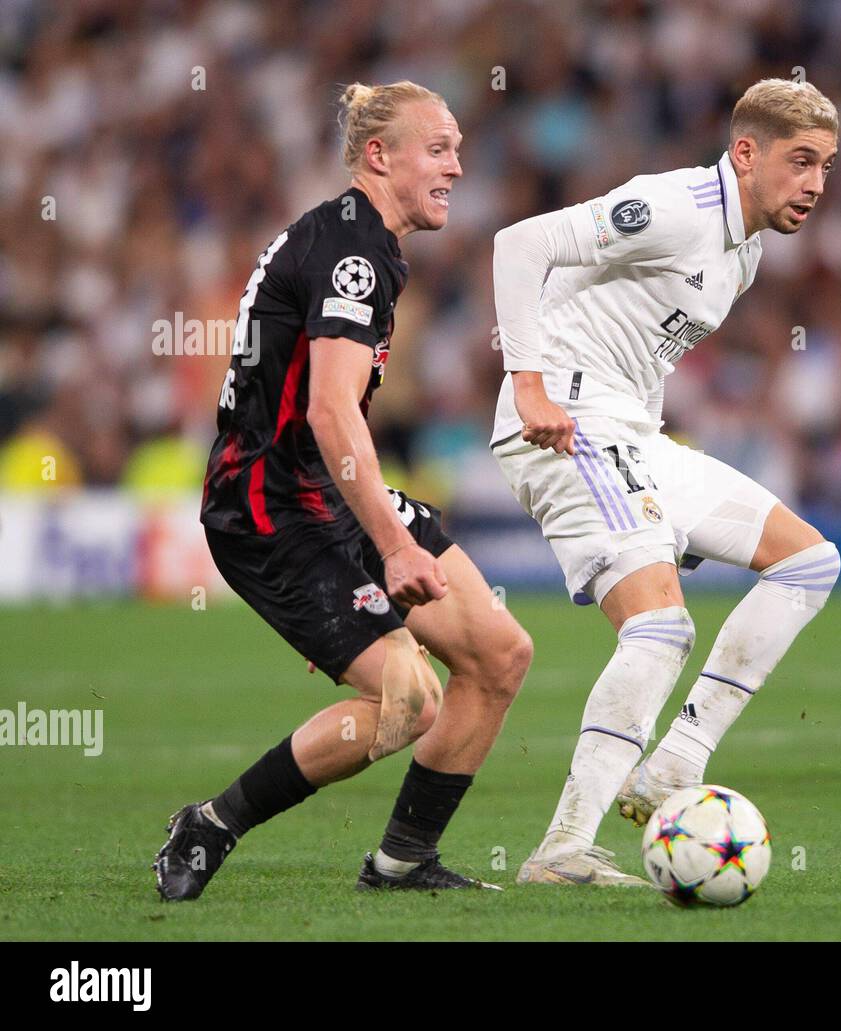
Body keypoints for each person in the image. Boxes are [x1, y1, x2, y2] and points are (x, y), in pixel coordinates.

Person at [153, 81, 532, 901]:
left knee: (500, 654)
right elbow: (329, 410)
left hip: (331, 489)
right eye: (438, 149)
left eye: (459, 148)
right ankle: (211, 822)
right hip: (269, 507)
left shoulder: (363, 242)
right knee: (408, 699)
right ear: (378, 156)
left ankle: (400, 863)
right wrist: (394, 544)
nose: (457, 167)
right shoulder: (353, 255)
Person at [490, 79, 841, 886]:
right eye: (800, 161)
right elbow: (520, 244)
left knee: (809, 561)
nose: (816, 183)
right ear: (746, 153)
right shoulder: (676, 207)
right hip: (566, 420)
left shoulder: (744, 249)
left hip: (629, 432)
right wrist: (530, 384)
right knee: (661, 629)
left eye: (825, 164)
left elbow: (634, 348)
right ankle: (562, 849)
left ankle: (679, 758)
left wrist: (656, 489)